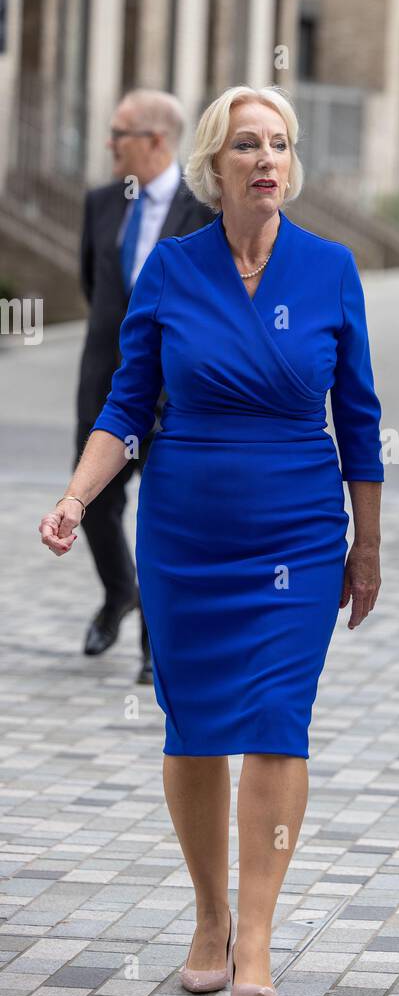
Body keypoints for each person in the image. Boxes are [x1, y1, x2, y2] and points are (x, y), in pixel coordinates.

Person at [39, 84, 384, 996]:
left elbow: (359, 419)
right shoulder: (172, 270)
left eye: (279, 143)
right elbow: (124, 405)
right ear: (212, 164)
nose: (267, 159)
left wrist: (368, 549)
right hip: (186, 532)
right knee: (193, 730)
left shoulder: (331, 269)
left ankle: (259, 941)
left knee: (278, 720)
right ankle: (208, 919)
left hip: (300, 535)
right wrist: (77, 497)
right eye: (247, 145)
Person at [76, 89, 214, 683]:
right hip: (105, 386)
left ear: (157, 141)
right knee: (93, 504)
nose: (109, 143)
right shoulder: (101, 203)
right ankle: (119, 593)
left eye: (119, 132)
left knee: (164, 518)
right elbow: (95, 285)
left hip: (175, 395)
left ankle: (155, 645)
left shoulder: (202, 210)